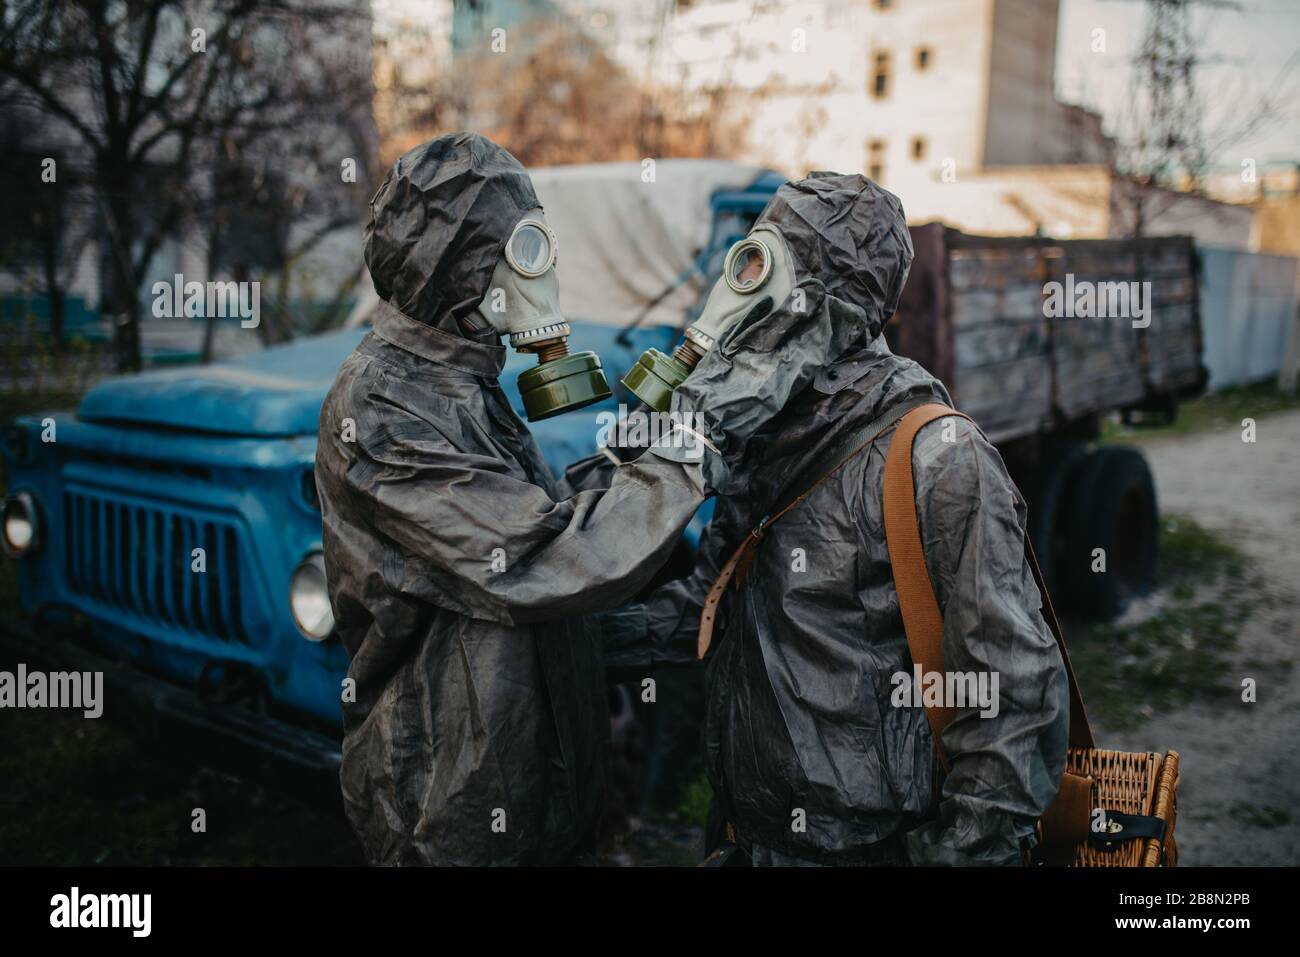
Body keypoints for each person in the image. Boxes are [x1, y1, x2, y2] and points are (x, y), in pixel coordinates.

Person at [315, 133, 824, 865]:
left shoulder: (459, 380)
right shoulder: (387, 406)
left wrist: (641, 446)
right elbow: (540, 558)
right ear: (456, 266)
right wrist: (690, 445)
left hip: (526, 777)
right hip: (446, 800)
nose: (543, 268)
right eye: (523, 249)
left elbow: (532, 516)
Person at [602, 172, 1071, 866]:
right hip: (744, 833)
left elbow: (1013, 692)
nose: (747, 294)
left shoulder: (937, 456)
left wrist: (963, 854)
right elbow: (707, 610)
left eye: (766, 270)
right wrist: (568, 635)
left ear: (831, 304)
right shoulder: (761, 431)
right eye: (747, 262)